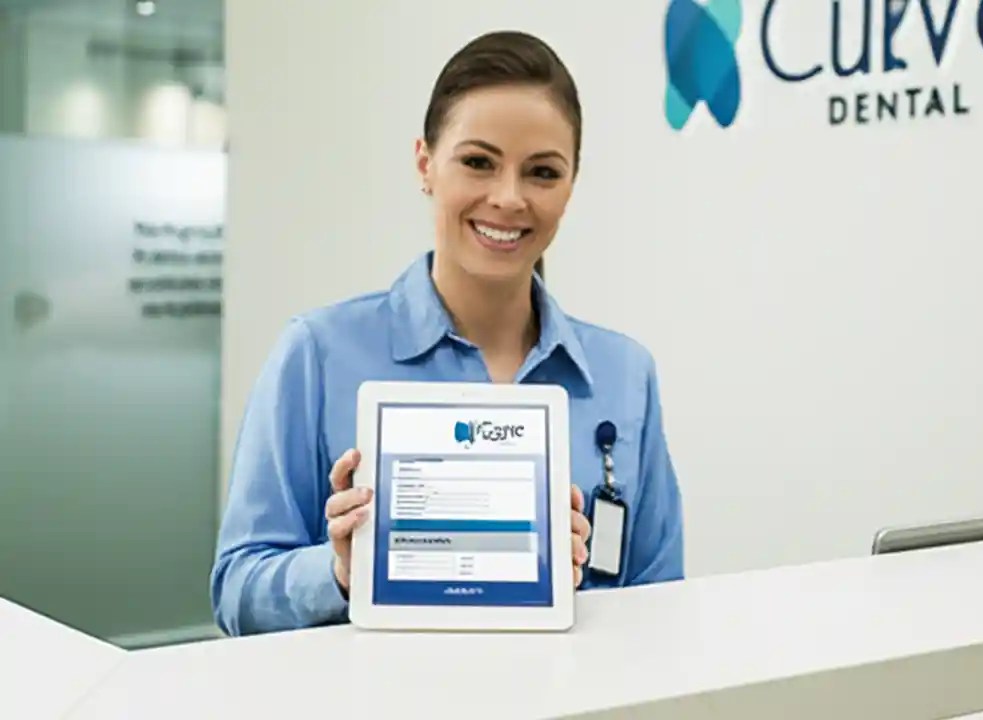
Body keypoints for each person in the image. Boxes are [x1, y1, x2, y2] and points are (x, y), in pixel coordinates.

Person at [210, 30, 685, 636]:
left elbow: (661, 609)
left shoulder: (626, 375)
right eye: (478, 162)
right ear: (425, 165)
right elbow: (235, 593)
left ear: (571, 185)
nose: (509, 198)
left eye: (542, 172)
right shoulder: (318, 354)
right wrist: (340, 572)